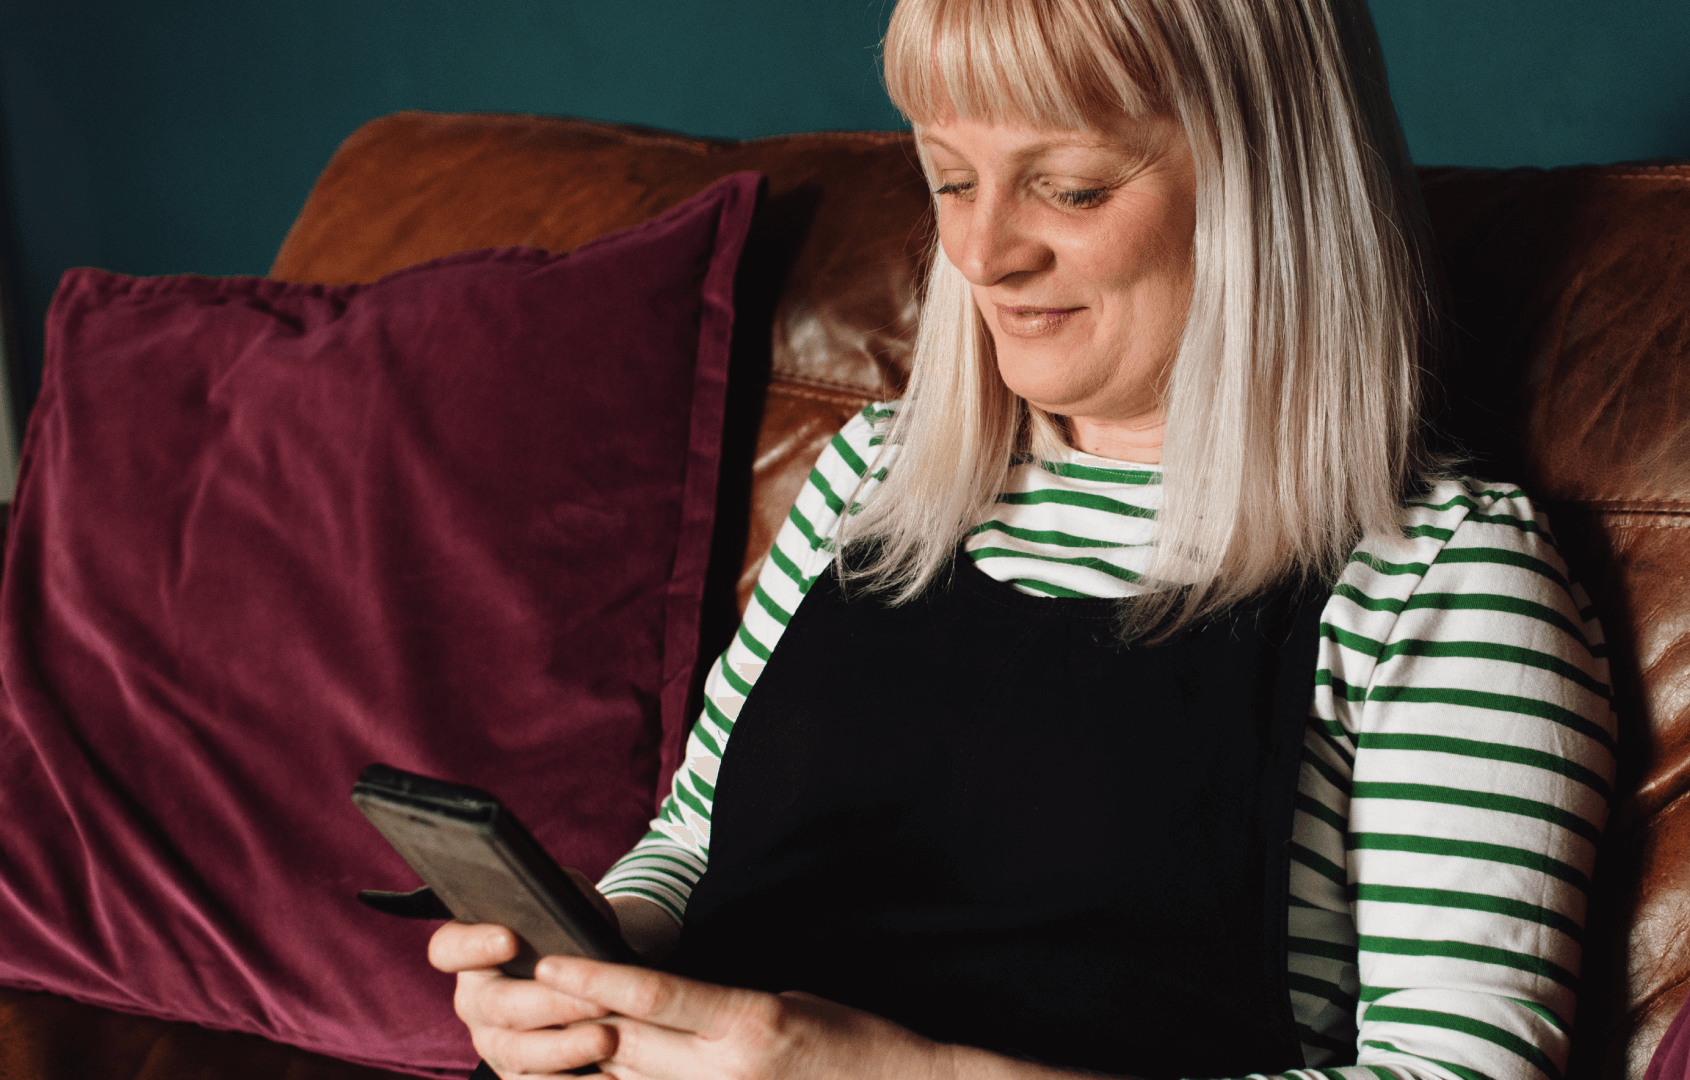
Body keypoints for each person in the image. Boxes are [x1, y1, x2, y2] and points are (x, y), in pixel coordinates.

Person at [430, 0, 1616, 1077]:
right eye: (952, 179)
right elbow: (693, 838)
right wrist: (591, 975)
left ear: (1272, 189)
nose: (985, 253)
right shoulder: (873, 476)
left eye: (1072, 187)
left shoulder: (1442, 580)